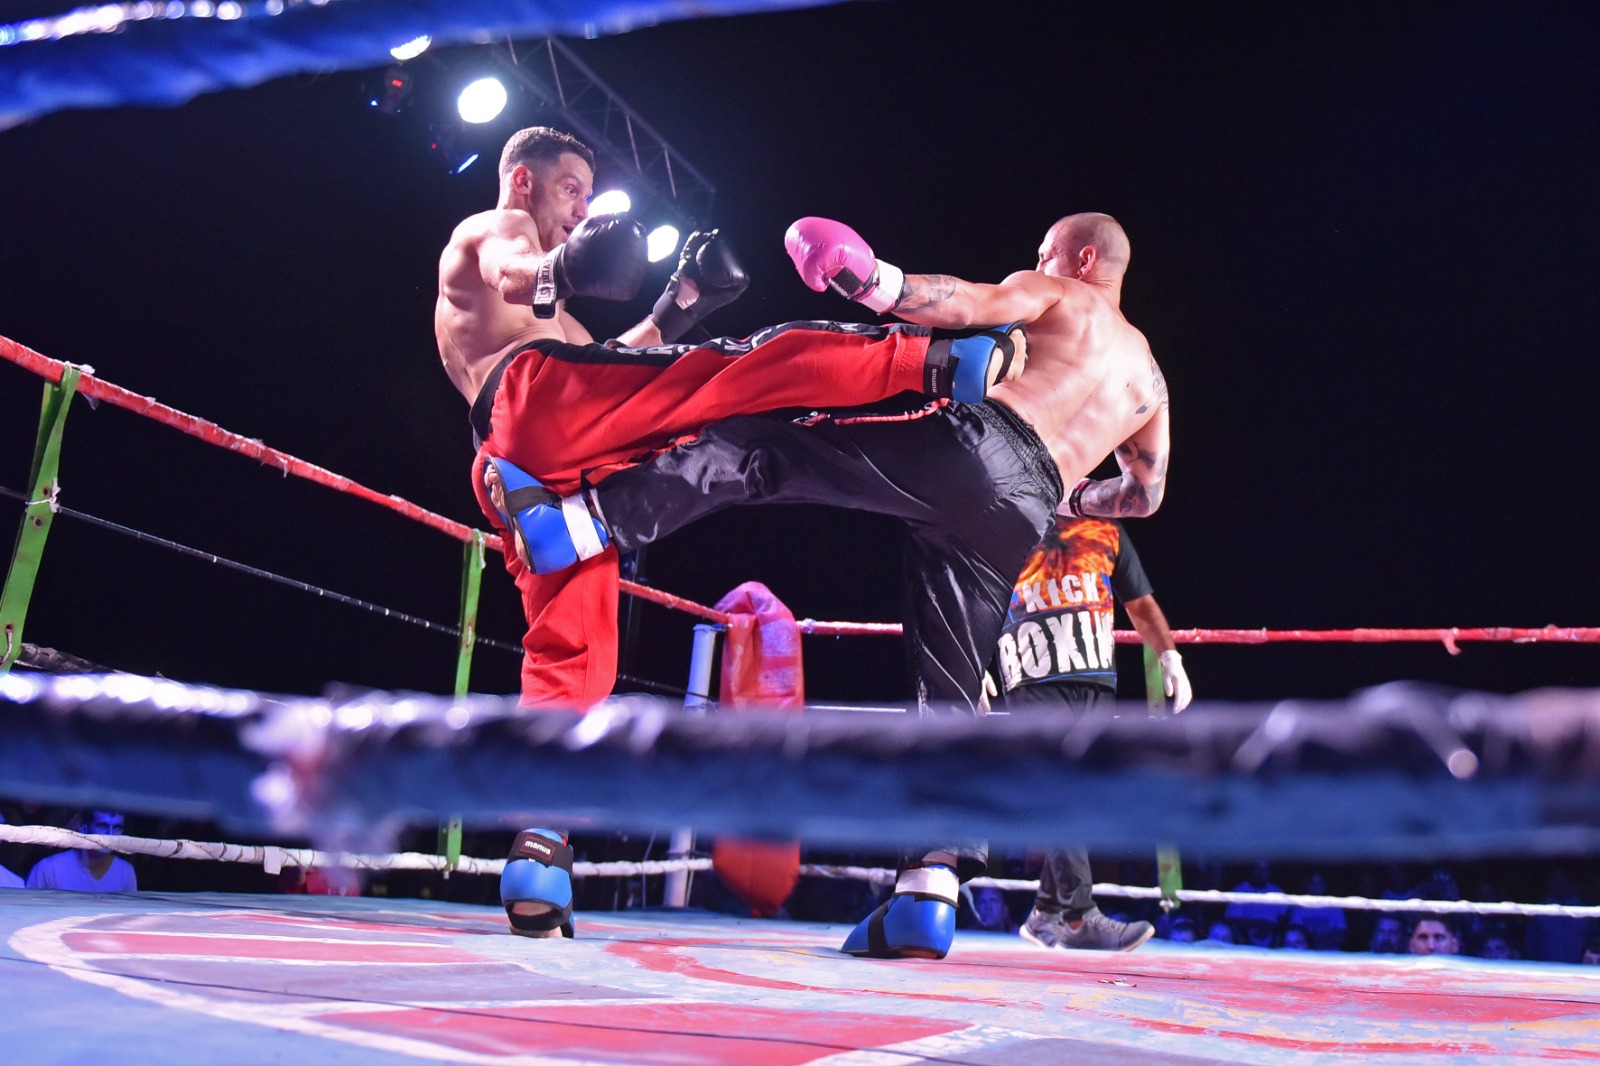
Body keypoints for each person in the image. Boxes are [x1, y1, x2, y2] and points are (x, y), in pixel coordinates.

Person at [519, 213, 1172, 960]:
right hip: (1024, 512)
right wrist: (1074, 502)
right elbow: (1145, 494)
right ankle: (928, 892)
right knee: (950, 696)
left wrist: (872, 279)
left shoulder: (1067, 298)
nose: (1038, 256)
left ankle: (583, 524)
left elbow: (964, 303)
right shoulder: (1147, 378)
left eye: (1048, 248)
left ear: (1084, 257)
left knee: (771, 446)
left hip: (979, 447)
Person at [437, 129, 1025, 937]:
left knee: (573, 654)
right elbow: (519, 272)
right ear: (522, 179)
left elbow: (616, 364)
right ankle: (927, 362)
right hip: (533, 404)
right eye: (570, 188)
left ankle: (540, 856)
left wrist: (678, 306)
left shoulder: (548, 317)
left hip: (534, 475)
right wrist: (558, 269)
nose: (579, 208)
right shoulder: (490, 229)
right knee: (741, 372)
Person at [997, 516, 1189, 953]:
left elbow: (1139, 603)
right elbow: (979, 595)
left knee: (1081, 797)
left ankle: (1046, 915)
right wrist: (974, 671)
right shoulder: (1011, 519)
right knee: (1063, 792)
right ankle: (1080, 918)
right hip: (1032, 676)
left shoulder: (1107, 530)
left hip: (1096, 676)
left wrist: (1168, 654)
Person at [25, 810, 137, 892]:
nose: (111, 834)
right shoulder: (48, 869)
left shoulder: (125, 872)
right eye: (103, 826)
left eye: (117, 828)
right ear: (84, 829)